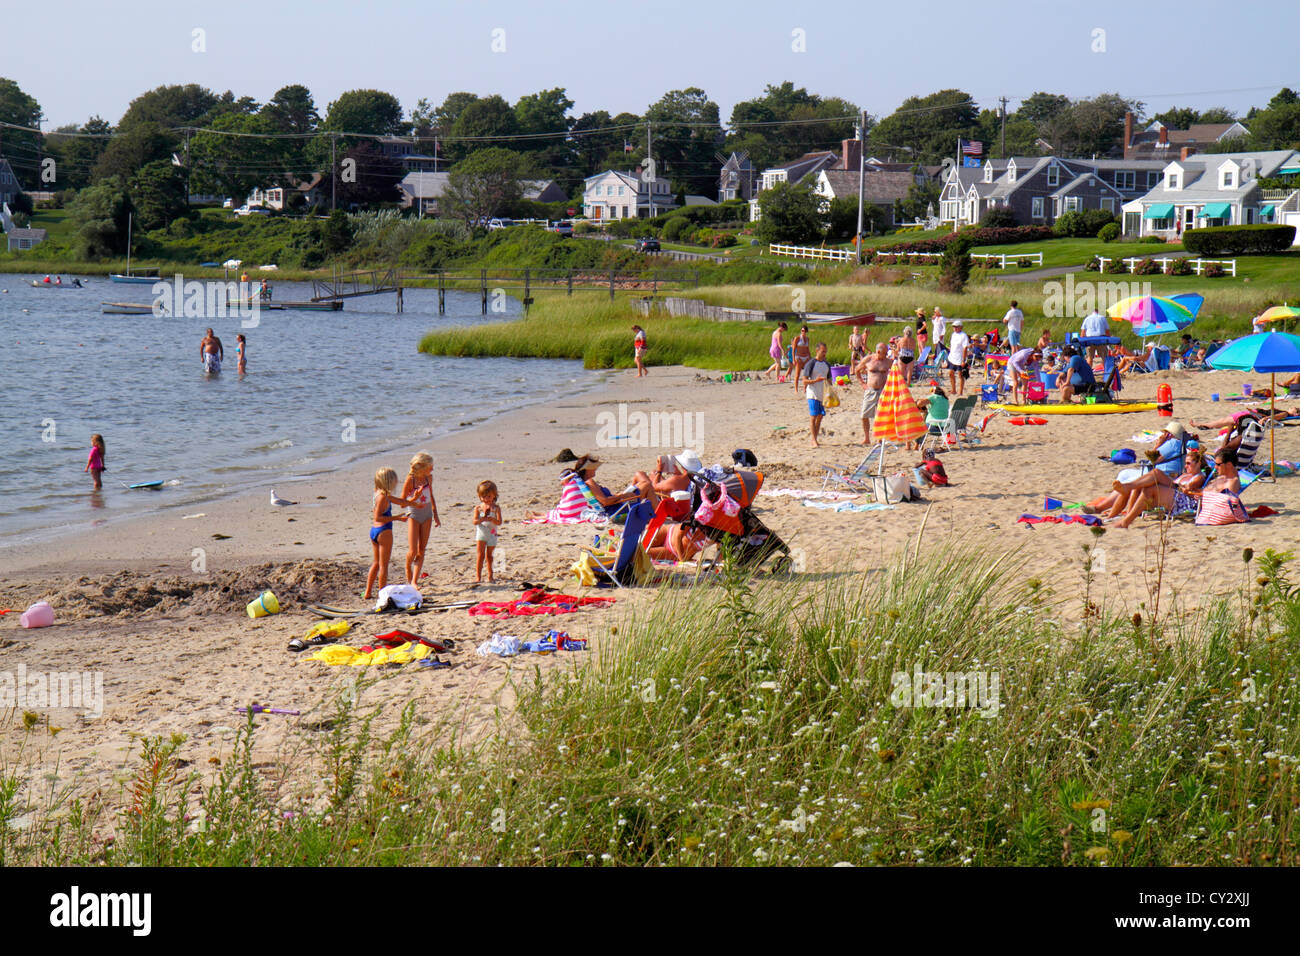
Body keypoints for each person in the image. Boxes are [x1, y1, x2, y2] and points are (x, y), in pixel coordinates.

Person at [365, 467, 415, 600]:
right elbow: (378, 517)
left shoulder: (378, 493)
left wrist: (413, 501)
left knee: (376, 563)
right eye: (394, 480)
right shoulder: (383, 498)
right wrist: (397, 518)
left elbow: (398, 501)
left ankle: (368, 592)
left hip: (374, 531)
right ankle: (382, 594)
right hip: (384, 531)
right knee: (383, 566)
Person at [402, 452, 440, 585]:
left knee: (422, 549)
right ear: (422, 467)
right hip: (414, 515)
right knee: (412, 551)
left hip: (427, 514)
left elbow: (431, 494)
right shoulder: (410, 480)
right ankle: (407, 567)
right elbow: (402, 503)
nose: (433, 469)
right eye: (430, 466)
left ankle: (414, 581)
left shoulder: (429, 478)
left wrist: (435, 513)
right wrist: (414, 497)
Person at [857, 341, 892, 444]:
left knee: (881, 415)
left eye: (886, 353)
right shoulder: (869, 359)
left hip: (883, 390)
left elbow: (897, 370)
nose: (885, 355)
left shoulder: (887, 362)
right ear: (878, 351)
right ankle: (866, 437)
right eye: (884, 353)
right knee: (864, 415)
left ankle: (879, 437)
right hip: (870, 390)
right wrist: (862, 383)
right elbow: (857, 369)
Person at [472, 480, 503, 583]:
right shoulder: (478, 508)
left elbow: (499, 522)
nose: (486, 499)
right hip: (481, 533)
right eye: (483, 497)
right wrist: (480, 520)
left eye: (489, 496)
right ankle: (478, 576)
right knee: (480, 555)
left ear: (494, 495)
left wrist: (492, 520)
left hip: (492, 533)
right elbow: (474, 521)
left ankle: (490, 576)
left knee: (489, 556)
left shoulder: (496, 508)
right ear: (480, 496)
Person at [803, 343, 831, 448]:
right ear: (817, 351)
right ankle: (813, 440)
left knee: (820, 417)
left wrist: (830, 391)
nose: (824, 354)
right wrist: (815, 380)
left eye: (825, 351)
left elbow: (829, 380)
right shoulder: (811, 363)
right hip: (812, 393)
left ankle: (815, 438)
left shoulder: (827, 364)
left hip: (822, 394)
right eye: (822, 351)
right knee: (813, 417)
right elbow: (804, 380)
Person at [646, 522, 711, 563]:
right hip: (668, 533)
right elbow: (678, 536)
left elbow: (720, 553)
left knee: (641, 554)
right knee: (639, 542)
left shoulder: (717, 534)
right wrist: (682, 558)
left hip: (673, 554)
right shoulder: (701, 517)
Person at [915, 384, 950, 450]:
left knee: (921, 426)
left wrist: (922, 399)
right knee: (925, 419)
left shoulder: (934, 397)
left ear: (934, 391)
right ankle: (919, 445)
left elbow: (919, 403)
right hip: (944, 428)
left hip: (934, 427)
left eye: (931, 391)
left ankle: (917, 445)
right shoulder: (945, 399)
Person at [946, 320, 972, 396]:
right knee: (950, 373)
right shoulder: (953, 334)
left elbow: (965, 348)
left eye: (956, 327)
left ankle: (960, 391)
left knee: (960, 374)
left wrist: (964, 360)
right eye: (954, 327)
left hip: (960, 358)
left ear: (961, 327)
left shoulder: (963, 336)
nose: (955, 328)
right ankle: (953, 389)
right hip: (952, 356)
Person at [791, 326, 811, 392]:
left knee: (806, 373)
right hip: (799, 357)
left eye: (804, 331)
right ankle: (796, 389)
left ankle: (804, 388)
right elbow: (793, 349)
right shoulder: (797, 338)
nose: (803, 332)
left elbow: (808, 349)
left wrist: (810, 357)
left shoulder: (807, 339)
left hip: (806, 357)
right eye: (802, 330)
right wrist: (793, 359)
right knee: (797, 374)